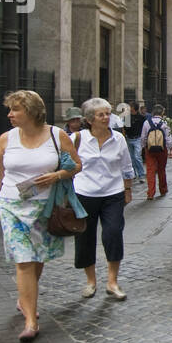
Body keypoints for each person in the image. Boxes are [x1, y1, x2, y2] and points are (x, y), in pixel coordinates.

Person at [0, 89, 85, 343]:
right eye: (10, 109)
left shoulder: (56, 135)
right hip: (12, 205)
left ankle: (24, 298)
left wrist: (57, 175)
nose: (10, 114)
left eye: (15, 109)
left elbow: (77, 165)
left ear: (31, 111)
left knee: (38, 258)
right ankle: (31, 320)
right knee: (24, 260)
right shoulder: (6, 139)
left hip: (45, 206)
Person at [72, 98, 134, 300]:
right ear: (90, 119)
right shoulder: (77, 139)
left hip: (113, 194)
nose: (106, 117)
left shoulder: (118, 139)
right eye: (101, 114)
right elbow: (67, 166)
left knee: (113, 234)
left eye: (108, 113)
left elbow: (126, 166)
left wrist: (127, 189)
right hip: (84, 194)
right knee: (85, 238)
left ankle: (112, 282)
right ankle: (91, 282)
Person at [140, 104, 172, 199]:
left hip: (149, 149)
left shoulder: (146, 122)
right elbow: (168, 137)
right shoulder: (165, 123)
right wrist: (171, 148)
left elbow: (143, 137)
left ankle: (151, 193)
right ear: (162, 112)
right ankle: (163, 189)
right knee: (161, 169)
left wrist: (143, 147)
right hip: (162, 149)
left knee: (150, 170)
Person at [125, 101, 147, 180]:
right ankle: (133, 173)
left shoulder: (141, 117)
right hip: (129, 138)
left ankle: (141, 174)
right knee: (131, 157)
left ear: (134, 108)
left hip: (138, 138)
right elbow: (126, 128)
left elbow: (144, 128)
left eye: (130, 107)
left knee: (137, 156)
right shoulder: (127, 117)